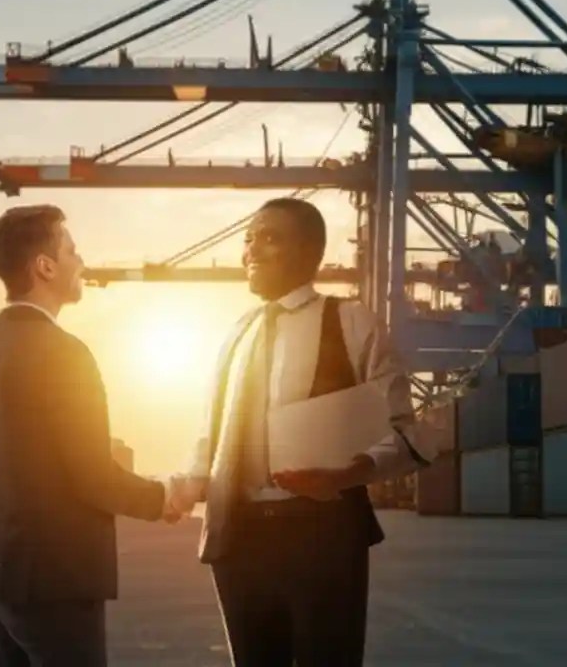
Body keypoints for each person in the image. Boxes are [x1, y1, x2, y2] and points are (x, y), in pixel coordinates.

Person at [170, 198, 437, 666]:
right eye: (248, 237)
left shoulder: (353, 323)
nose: (250, 249)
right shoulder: (235, 334)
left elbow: (406, 434)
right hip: (239, 537)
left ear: (309, 249)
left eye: (268, 237)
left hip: (323, 534)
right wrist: (184, 485)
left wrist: (344, 475)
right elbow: (210, 437)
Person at [0, 205, 182, 667]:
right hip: (54, 579)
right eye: (72, 250)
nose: (81, 262)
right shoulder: (65, 354)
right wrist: (166, 497)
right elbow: (93, 474)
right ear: (45, 266)